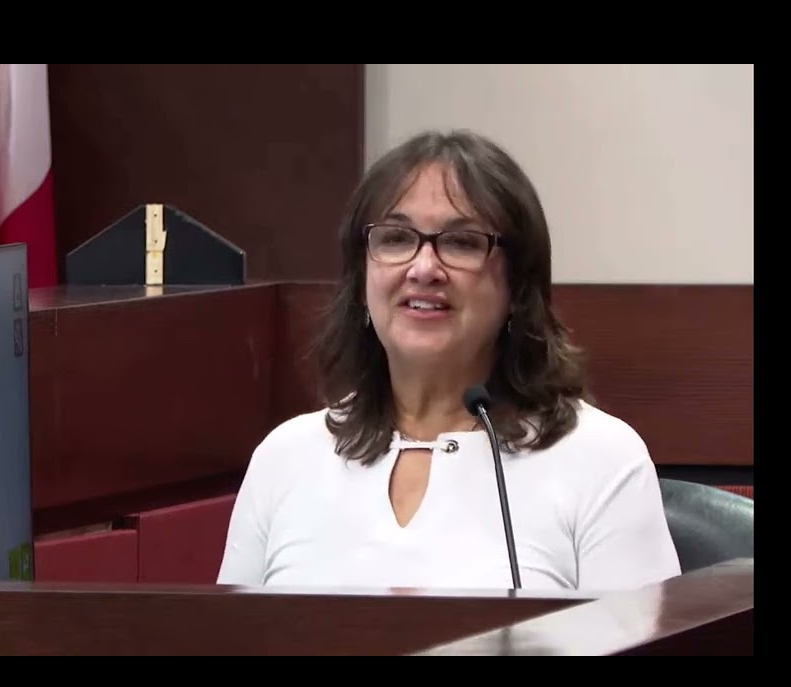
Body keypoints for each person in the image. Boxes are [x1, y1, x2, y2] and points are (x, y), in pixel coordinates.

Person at [217, 129, 682, 593]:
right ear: (362, 278)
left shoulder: (599, 461)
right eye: (396, 239)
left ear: (519, 287)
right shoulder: (286, 459)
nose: (423, 268)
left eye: (461, 243)